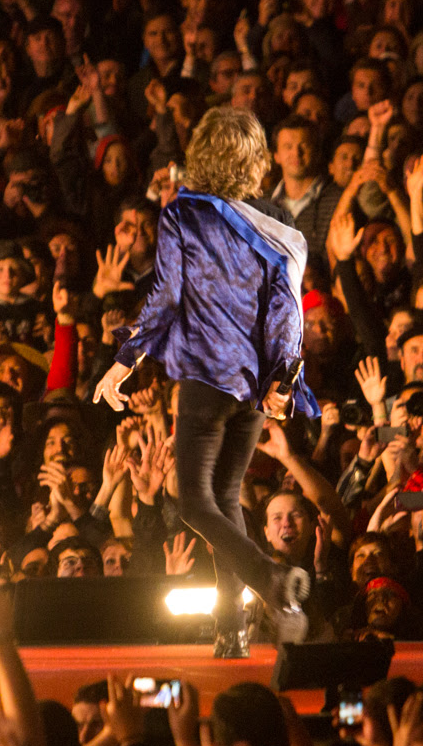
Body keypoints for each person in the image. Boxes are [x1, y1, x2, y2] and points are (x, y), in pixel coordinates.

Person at [95, 106, 316, 654]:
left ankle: (267, 580)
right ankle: (230, 632)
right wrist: (282, 382)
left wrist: (125, 360)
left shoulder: (184, 215)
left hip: (207, 377)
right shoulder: (278, 226)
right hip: (255, 385)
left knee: (195, 502)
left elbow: (167, 298)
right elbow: (287, 311)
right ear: (255, 162)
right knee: (224, 499)